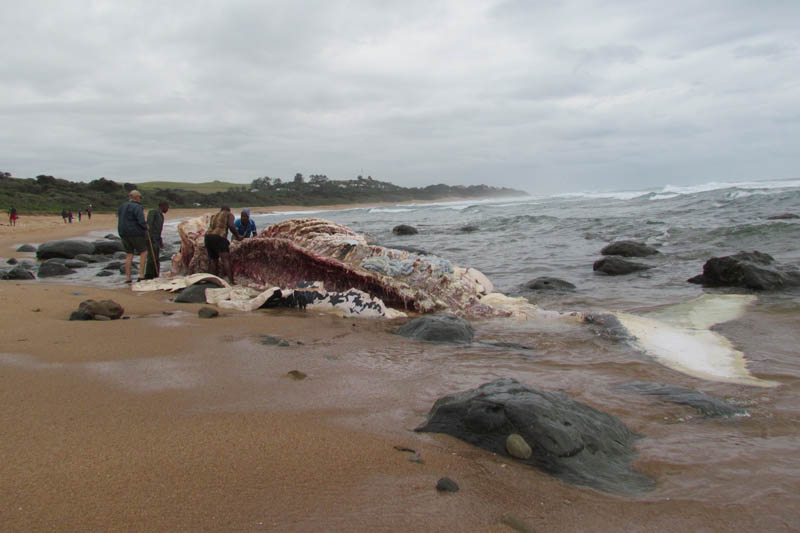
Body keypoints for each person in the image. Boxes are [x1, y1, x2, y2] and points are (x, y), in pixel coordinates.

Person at [204, 206, 242, 284]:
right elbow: (231, 225)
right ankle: (231, 282)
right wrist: (238, 236)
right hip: (219, 237)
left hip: (208, 237)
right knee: (225, 259)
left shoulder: (214, 216)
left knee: (213, 260)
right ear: (228, 210)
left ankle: (212, 281)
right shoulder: (229, 214)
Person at [117, 190, 148, 283]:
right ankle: (141, 276)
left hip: (123, 232)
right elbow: (141, 220)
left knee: (129, 254)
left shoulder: (122, 206)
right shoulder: (138, 207)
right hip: (135, 233)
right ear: (137, 197)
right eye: (140, 197)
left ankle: (128, 277)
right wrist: (146, 226)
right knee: (143, 252)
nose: (140, 199)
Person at [144, 201, 169, 279]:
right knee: (152, 257)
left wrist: (160, 240)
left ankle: (155, 274)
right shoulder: (153, 212)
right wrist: (149, 237)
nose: (167, 209)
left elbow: (159, 229)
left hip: (157, 238)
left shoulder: (160, 215)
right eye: (167, 207)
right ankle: (149, 275)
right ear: (163, 206)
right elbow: (149, 224)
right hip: (152, 238)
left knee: (156, 257)